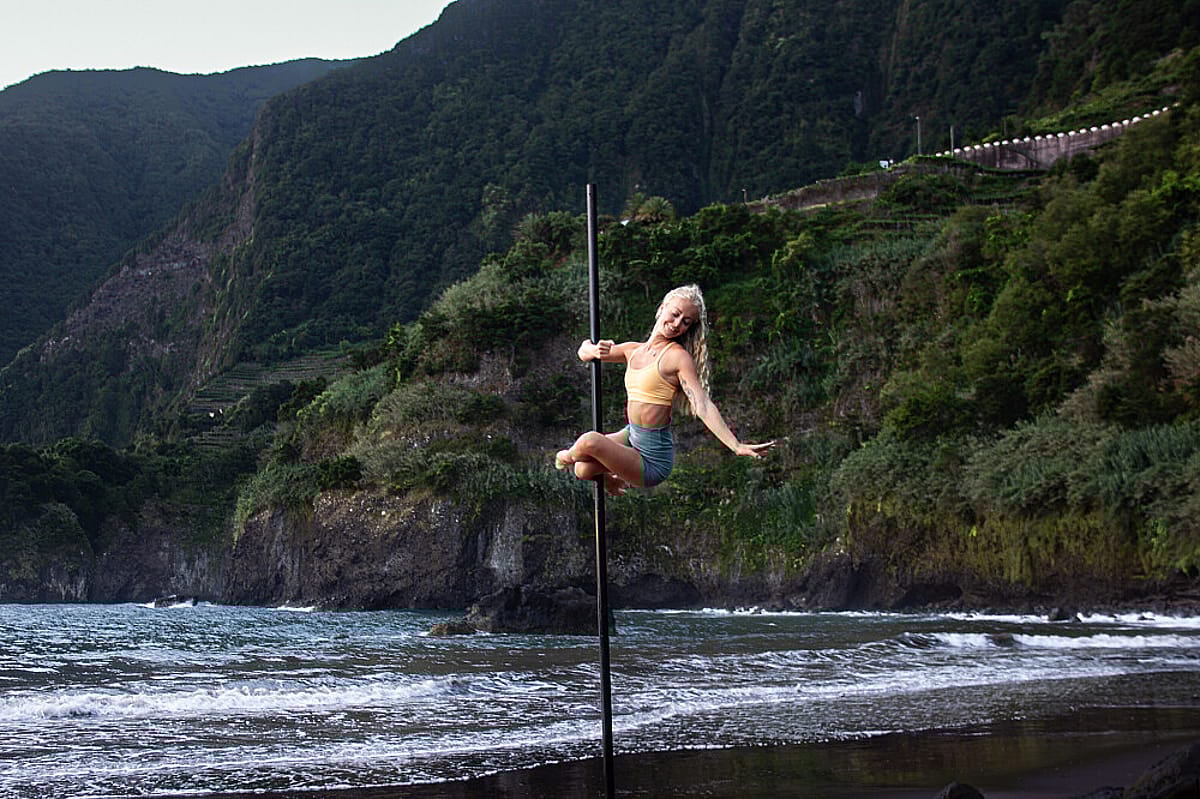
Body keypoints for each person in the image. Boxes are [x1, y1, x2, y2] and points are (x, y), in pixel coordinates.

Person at [555, 284, 774, 495]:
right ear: (662, 308)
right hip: (632, 435)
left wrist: (735, 445)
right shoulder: (633, 350)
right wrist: (595, 350)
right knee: (582, 469)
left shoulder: (677, 357)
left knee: (589, 442)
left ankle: (563, 458)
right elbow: (583, 352)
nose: (677, 324)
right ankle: (610, 480)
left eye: (686, 322)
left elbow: (703, 404)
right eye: (675, 314)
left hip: (652, 460)